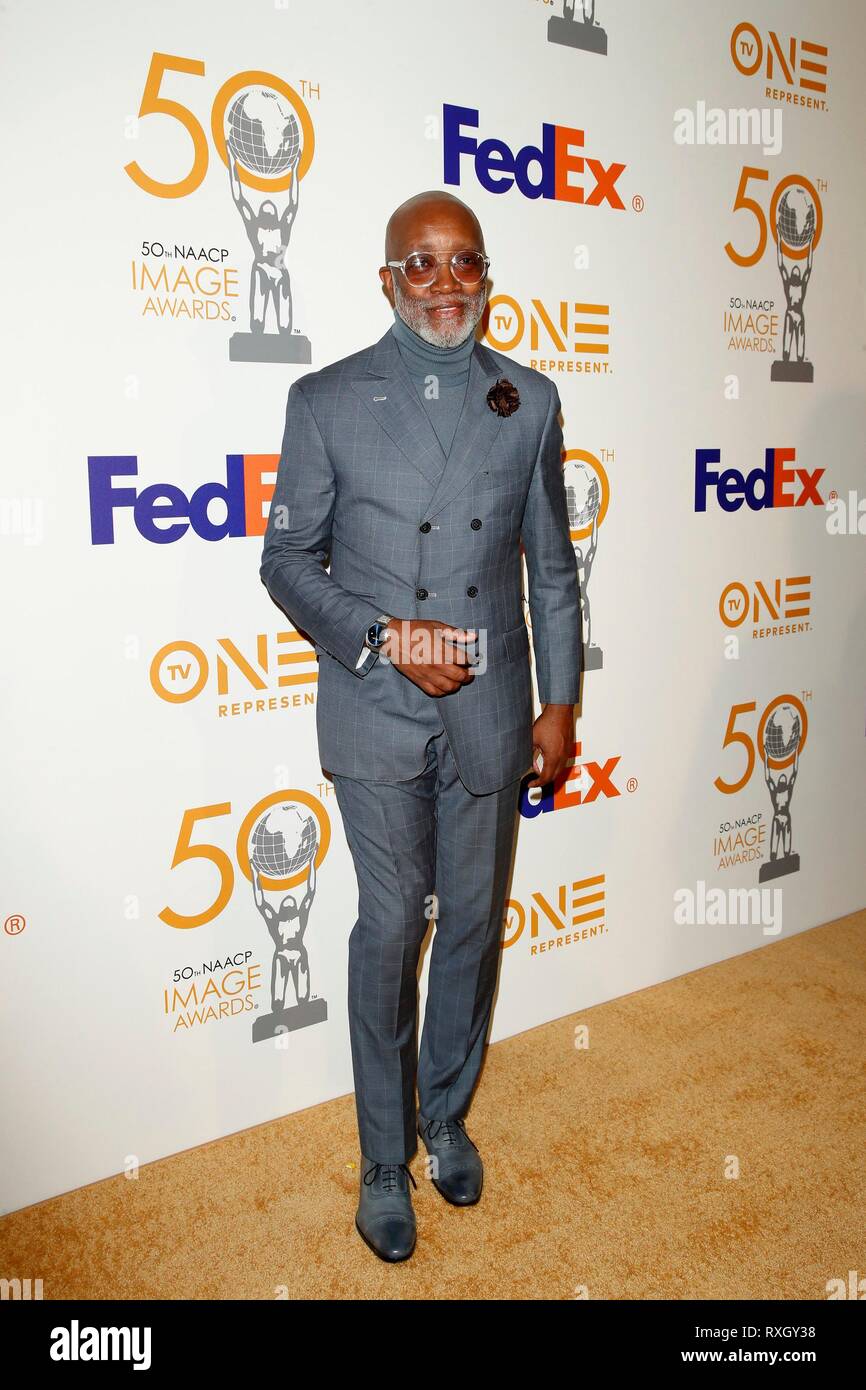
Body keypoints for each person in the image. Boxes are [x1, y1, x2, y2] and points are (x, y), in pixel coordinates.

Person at [260, 189, 582, 1261]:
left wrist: (558, 701)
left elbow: (549, 563)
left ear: (483, 277)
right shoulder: (326, 399)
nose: (444, 283)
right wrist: (384, 635)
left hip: (493, 714)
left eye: (463, 263)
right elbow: (284, 562)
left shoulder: (525, 398)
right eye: (421, 263)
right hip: (375, 708)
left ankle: (445, 1118)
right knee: (391, 928)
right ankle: (382, 1156)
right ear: (387, 277)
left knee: (476, 929)